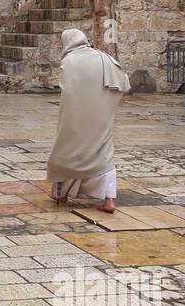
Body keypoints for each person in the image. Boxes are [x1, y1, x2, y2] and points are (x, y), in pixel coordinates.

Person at [46, 28, 130, 213]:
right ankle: (109, 200)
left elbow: (68, 90)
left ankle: (61, 194)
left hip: (76, 116)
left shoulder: (69, 61)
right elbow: (123, 82)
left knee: (67, 150)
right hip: (101, 116)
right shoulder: (104, 57)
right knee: (104, 154)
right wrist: (105, 103)